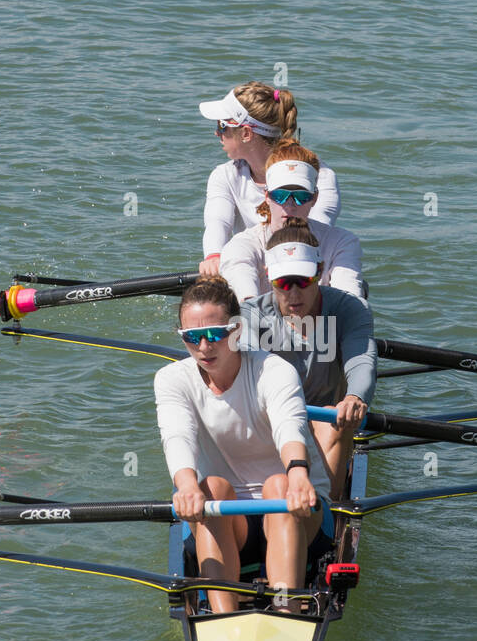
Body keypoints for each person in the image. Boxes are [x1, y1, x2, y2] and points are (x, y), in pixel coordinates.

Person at [153, 275, 335, 614]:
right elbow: (177, 435)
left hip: (297, 510)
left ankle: (286, 612)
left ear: (236, 329)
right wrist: (186, 486)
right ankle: (225, 619)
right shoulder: (171, 380)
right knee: (211, 488)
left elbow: (289, 425)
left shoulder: (273, 370)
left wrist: (298, 474)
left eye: (214, 335)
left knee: (277, 485)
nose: (204, 347)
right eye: (192, 338)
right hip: (225, 517)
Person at [238, 224, 377, 500]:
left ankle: (325, 515)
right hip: (273, 418)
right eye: (282, 283)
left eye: (302, 281)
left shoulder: (350, 309)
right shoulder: (250, 315)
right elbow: (247, 374)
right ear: (268, 277)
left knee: (334, 418)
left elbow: (361, 362)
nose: (293, 293)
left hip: (324, 418)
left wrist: (354, 396)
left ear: (320, 271)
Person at [197, 82, 340, 274]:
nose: (217, 133)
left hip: (304, 271)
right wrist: (214, 257)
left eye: (222, 126)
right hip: (247, 267)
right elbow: (218, 222)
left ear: (246, 133)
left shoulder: (319, 176)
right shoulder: (224, 176)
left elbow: (316, 229)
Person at [219, 139, 365, 302]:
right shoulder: (241, 246)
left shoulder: (342, 243)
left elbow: (350, 303)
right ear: (267, 196)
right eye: (280, 196)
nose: (290, 205)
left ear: (314, 198)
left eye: (301, 196)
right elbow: (247, 304)